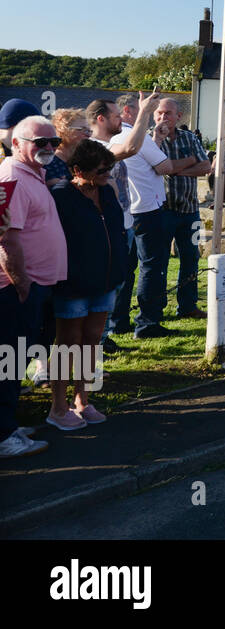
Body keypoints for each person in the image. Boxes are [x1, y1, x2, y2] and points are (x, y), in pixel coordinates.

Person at [0, 115, 70, 458]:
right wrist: (21, 281)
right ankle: (3, 435)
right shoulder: (13, 176)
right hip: (16, 288)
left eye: (53, 142)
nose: (48, 148)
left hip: (31, 286)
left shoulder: (33, 174)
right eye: (39, 142)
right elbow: (6, 239)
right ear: (16, 143)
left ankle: (7, 425)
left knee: (15, 360)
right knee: (9, 361)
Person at [48, 140, 126, 430]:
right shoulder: (60, 196)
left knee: (92, 342)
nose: (108, 173)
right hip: (73, 283)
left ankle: (82, 399)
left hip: (105, 282)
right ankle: (57, 407)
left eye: (111, 167)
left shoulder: (106, 191)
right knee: (67, 344)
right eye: (103, 168)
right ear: (79, 170)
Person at [108, 95, 187, 339]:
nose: (156, 115)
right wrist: (193, 161)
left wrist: (157, 140)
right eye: (151, 109)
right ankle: (147, 322)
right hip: (147, 210)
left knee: (126, 268)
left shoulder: (113, 139)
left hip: (127, 209)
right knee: (152, 266)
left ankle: (118, 320)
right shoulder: (137, 137)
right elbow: (165, 168)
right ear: (130, 111)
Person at [154, 98, 212, 322]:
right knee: (159, 262)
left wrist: (174, 170)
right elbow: (157, 169)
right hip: (162, 210)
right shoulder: (151, 140)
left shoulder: (189, 137)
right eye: (159, 113)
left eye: (168, 113)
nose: (163, 117)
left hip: (190, 209)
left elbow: (206, 166)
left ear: (179, 116)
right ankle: (155, 309)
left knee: (191, 258)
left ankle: (187, 305)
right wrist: (189, 162)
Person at [44, 108, 89, 190]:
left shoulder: (87, 160)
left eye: (89, 131)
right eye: (83, 129)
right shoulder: (48, 163)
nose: (88, 135)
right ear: (63, 130)